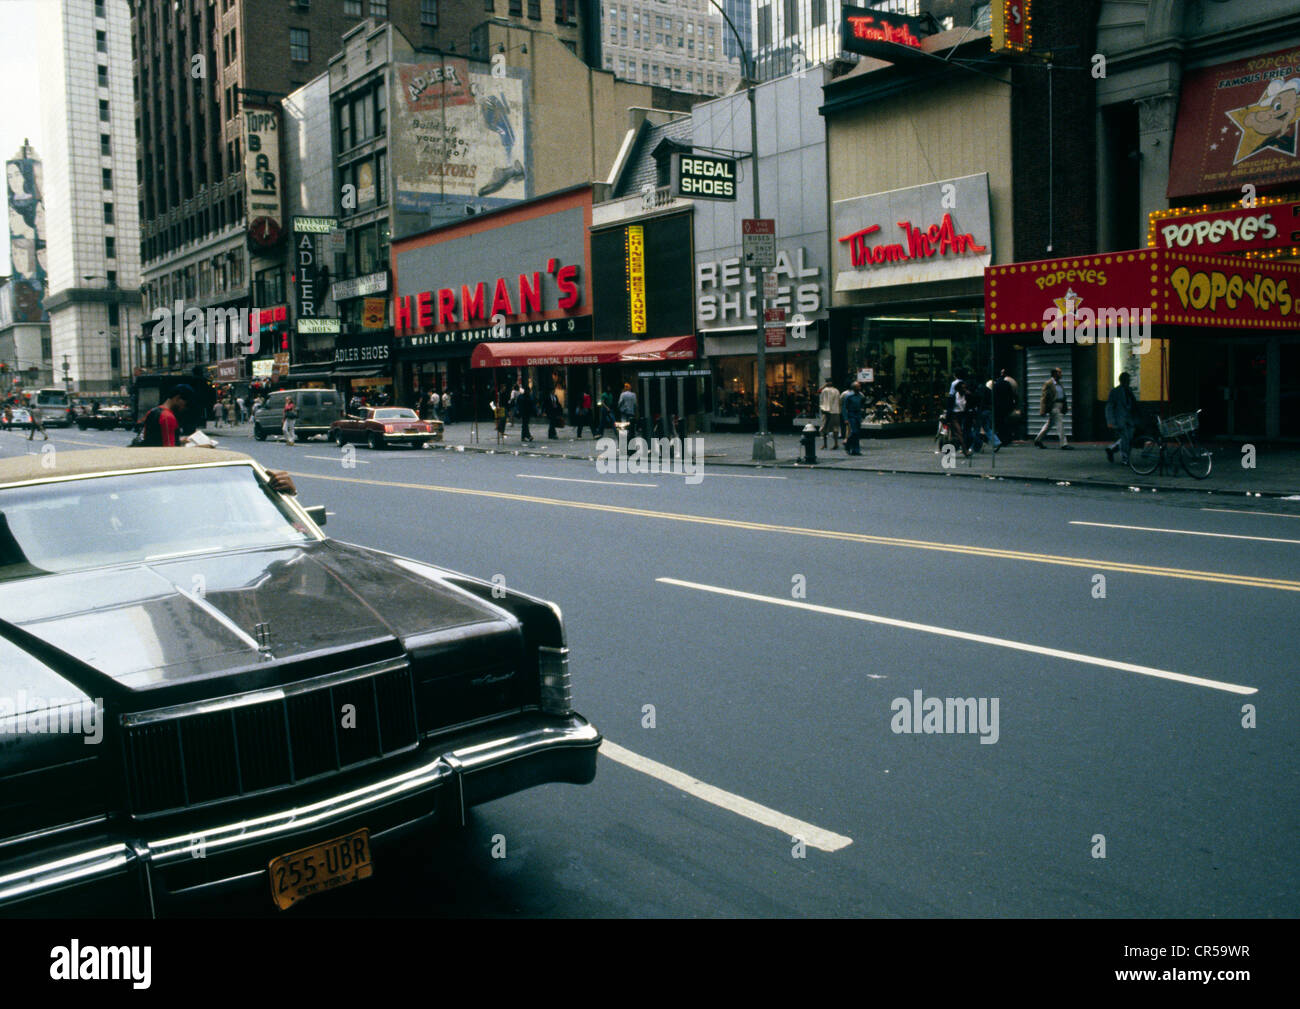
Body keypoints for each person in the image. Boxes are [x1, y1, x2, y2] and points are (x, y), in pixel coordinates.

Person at [1034, 367, 1072, 449]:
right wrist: (1042, 410)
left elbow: (1063, 396)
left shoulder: (1059, 384)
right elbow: (1044, 397)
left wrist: (1064, 407)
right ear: (1054, 374)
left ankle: (1038, 439)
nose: (1061, 374)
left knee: (1049, 424)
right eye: (1059, 372)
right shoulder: (1048, 384)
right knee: (1060, 423)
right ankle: (1064, 444)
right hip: (1054, 406)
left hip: (1060, 405)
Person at [1105, 371, 1138, 464]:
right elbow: (1109, 407)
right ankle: (1125, 458)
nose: (1128, 381)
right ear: (1122, 380)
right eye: (1127, 380)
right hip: (1120, 419)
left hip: (1130, 419)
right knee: (1125, 438)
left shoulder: (1129, 391)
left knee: (1128, 438)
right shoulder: (1115, 392)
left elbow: (1133, 405)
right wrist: (1110, 421)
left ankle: (1111, 449)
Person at [944, 380, 971, 457]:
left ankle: (956, 447)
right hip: (954, 416)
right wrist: (947, 419)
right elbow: (949, 408)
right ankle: (965, 450)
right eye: (962, 388)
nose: (964, 390)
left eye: (965, 388)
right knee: (959, 433)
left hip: (962, 416)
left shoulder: (966, 396)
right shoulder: (953, 397)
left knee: (961, 434)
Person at [842, 382, 865, 455]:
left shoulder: (860, 396)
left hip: (858, 414)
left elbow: (862, 403)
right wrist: (845, 418)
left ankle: (856, 450)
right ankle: (848, 443)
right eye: (858, 387)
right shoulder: (848, 396)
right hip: (851, 414)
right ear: (854, 388)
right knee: (854, 431)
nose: (859, 388)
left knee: (857, 432)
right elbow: (844, 408)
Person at [818, 379, 840, 450]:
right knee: (835, 428)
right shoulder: (837, 390)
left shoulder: (825, 390)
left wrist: (823, 409)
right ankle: (836, 443)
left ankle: (825, 444)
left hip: (827, 411)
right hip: (836, 411)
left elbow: (823, 400)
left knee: (824, 427)